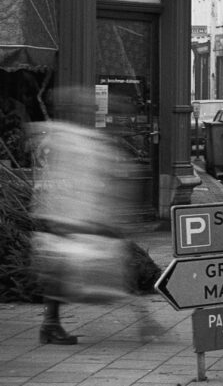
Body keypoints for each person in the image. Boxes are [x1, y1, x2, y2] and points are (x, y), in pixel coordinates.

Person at [29, 89, 138, 345]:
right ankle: (50, 325)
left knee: (62, 271)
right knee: (62, 272)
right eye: (83, 110)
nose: (88, 113)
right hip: (67, 216)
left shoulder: (72, 138)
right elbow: (66, 178)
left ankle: (50, 325)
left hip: (71, 215)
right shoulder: (66, 138)